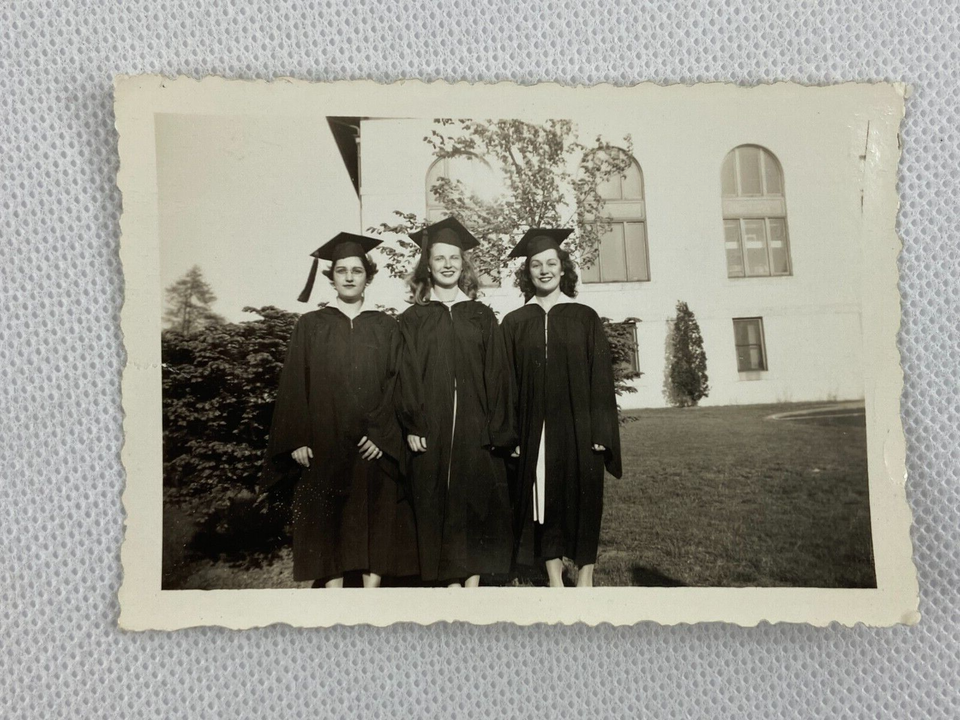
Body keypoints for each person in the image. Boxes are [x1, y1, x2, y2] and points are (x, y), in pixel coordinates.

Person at [262, 232, 419, 588]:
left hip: (372, 444)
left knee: (375, 514)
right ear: (331, 277)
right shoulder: (311, 326)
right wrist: (298, 438)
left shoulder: (386, 327)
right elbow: (293, 387)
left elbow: (398, 383)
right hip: (324, 441)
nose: (349, 277)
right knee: (326, 517)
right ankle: (334, 595)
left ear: (369, 276)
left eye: (357, 271)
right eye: (342, 271)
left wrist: (382, 434)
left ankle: (370, 594)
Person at [396, 216, 516, 587]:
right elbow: (406, 373)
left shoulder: (480, 315)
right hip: (431, 426)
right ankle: (448, 583)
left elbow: (497, 374)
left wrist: (500, 428)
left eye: (454, 258)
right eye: (439, 258)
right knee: (435, 501)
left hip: (475, 426)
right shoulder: (413, 319)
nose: (447, 264)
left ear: (463, 265)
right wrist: (413, 422)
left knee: (475, 499)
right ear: (427, 265)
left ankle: (472, 584)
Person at [500, 228, 622, 588]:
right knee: (544, 499)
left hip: (580, 426)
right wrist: (512, 433)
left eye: (551, 263)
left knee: (585, 497)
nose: (544, 270)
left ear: (563, 268)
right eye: (535, 264)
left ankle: (585, 575)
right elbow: (507, 383)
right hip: (535, 427)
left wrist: (602, 431)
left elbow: (601, 379)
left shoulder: (584, 316)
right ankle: (555, 578)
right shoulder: (515, 322)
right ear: (527, 272)